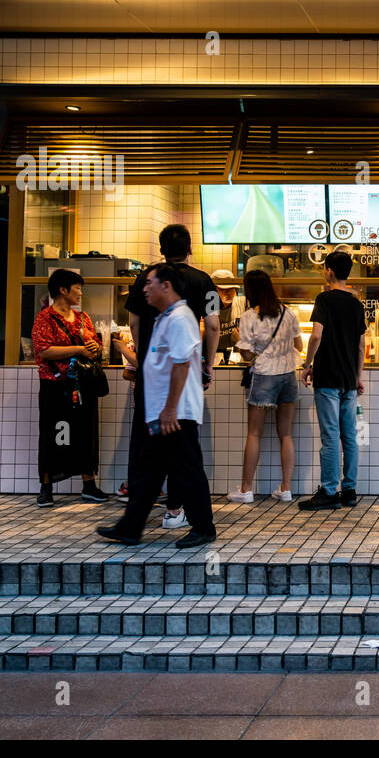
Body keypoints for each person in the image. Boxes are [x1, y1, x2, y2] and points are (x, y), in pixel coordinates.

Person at [97, 263, 215, 548]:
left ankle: (203, 527)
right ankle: (130, 527)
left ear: (167, 286)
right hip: (162, 410)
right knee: (148, 470)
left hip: (176, 412)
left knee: (187, 470)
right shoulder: (165, 317)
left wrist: (171, 408)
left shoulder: (181, 318)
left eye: (150, 283)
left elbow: (182, 363)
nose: (144, 288)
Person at [117, 225, 219, 528]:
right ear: (190, 249)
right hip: (175, 379)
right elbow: (212, 326)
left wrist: (142, 358)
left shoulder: (147, 279)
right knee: (167, 452)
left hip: (157, 379)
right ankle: (166, 512)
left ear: (161, 250)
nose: (149, 288)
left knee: (154, 447)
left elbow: (133, 324)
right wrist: (208, 365)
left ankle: (141, 519)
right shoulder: (204, 281)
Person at [31, 269, 108, 507]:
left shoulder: (83, 317)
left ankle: (89, 485)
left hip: (82, 384)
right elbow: (44, 350)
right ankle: (46, 488)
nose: (80, 293)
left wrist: (94, 347)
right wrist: (78, 350)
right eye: (77, 288)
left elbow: (93, 343)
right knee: (51, 435)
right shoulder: (45, 318)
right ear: (62, 290)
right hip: (55, 386)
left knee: (85, 433)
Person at [228, 270, 303, 504]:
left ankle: (246, 489)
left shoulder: (250, 316)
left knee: (254, 433)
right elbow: (299, 345)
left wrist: (235, 338)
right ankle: (286, 488)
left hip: (264, 376)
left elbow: (247, 353)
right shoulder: (288, 313)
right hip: (288, 375)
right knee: (286, 433)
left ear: (249, 291)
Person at [298, 250, 366, 510]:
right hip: (348, 380)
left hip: (327, 379)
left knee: (330, 436)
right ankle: (349, 490)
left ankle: (328, 492)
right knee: (349, 436)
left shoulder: (324, 299)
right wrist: (358, 376)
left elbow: (316, 336)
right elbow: (361, 344)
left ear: (328, 271)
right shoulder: (356, 303)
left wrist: (307, 365)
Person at [211, 269, 242, 364]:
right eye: (222, 289)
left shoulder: (241, 304)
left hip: (235, 357)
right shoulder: (207, 308)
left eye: (230, 288)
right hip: (212, 356)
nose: (227, 293)